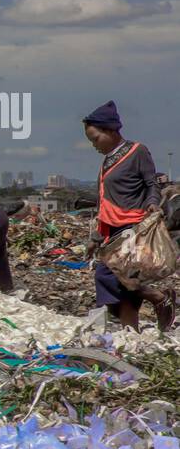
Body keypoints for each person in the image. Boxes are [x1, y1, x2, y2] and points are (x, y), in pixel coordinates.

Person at [83, 100, 175, 331]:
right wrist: (96, 237)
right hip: (112, 229)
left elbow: (150, 183)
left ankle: (157, 297)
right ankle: (130, 332)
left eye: (96, 139)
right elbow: (103, 202)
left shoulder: (137, 151)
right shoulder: (107, 161)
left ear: (110, 131)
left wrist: (153, 204)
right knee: (125, 285)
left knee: (109, 275)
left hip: (133, 226)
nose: (94, 145)